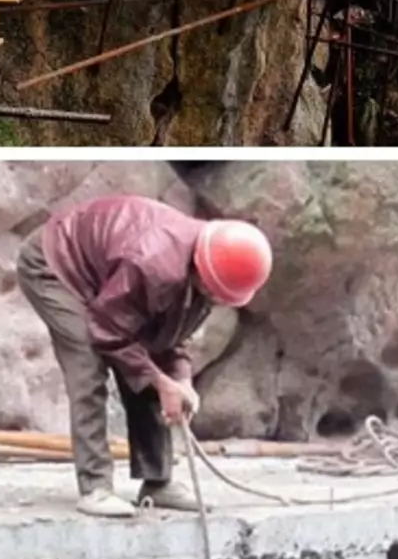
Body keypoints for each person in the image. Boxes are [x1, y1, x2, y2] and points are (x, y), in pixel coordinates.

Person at [16, 195, 273, 519]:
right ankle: (95, 486)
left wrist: (179, 380)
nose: (216, 303)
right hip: (55, 265)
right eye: (215, 296)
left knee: (151, 372)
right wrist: (157, 379)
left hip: (111, 283)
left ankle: (158, 482)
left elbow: (169, 338)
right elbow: (107, 331)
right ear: (203, 272)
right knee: (88, 366)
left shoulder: (208, 269)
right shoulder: (153, 265)